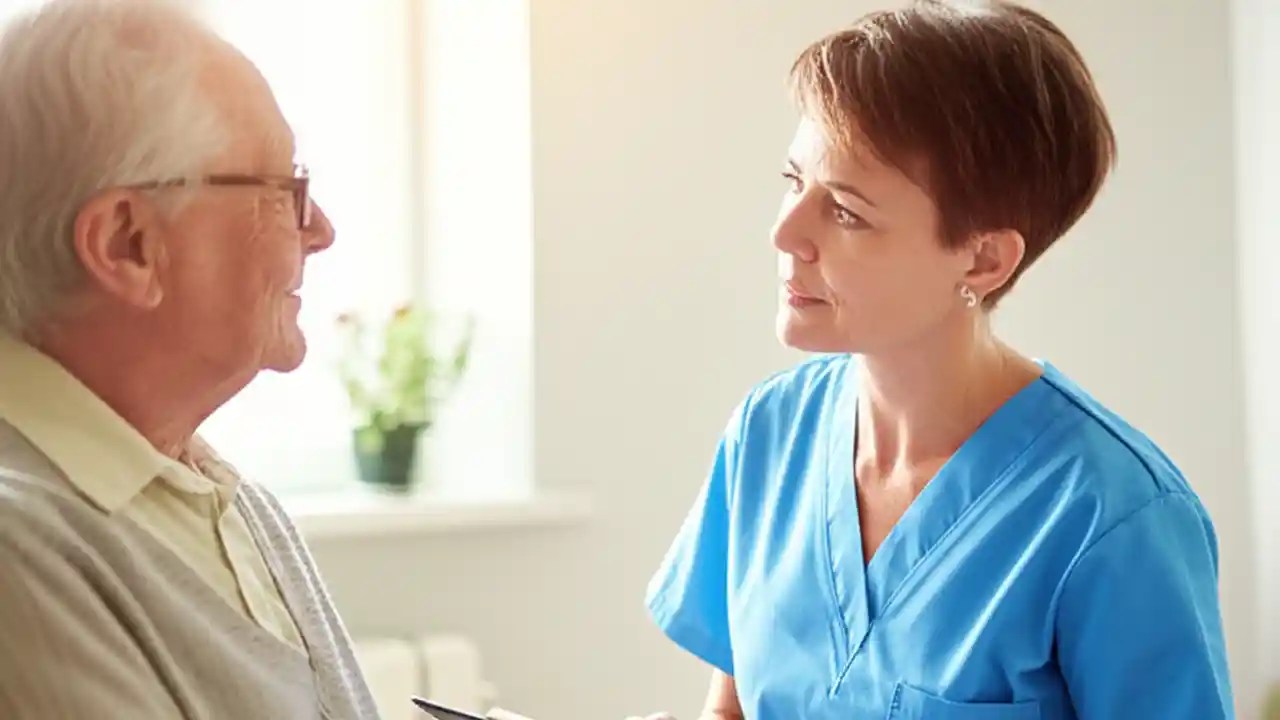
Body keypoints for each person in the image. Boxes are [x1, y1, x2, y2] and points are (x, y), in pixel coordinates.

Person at [640, 1, 1234, 719]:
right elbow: (729, 710)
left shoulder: (1115, 516)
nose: (785, 232)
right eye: (794, 182)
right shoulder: (769, 434)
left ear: (983, 259)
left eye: (848, 212)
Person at [0, 1, 378, 717]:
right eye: (284, 193)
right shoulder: (16, 550)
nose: (321, 231)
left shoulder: (232, 502)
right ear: (127, 245)